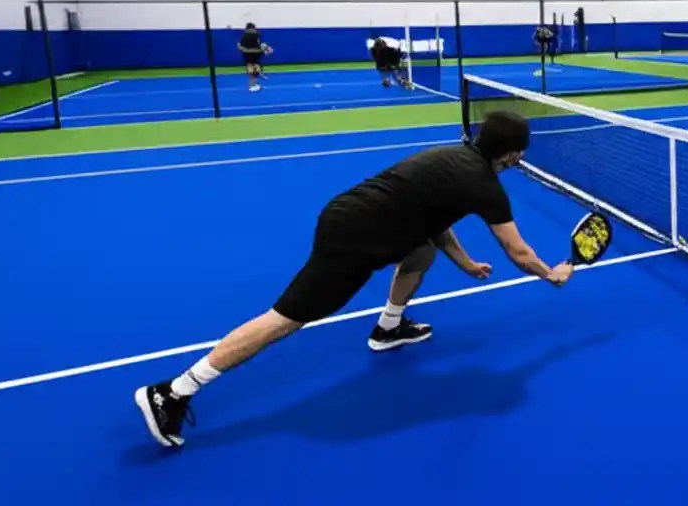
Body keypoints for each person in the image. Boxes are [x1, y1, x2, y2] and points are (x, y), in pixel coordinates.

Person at [134, 112, 576, 448]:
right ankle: (173, 392)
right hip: (357, 239)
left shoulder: (454, 158)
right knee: (285, 319)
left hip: (350, 214)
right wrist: (552, 274)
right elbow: (518, 253)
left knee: (419, 250)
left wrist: (464, 263)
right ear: (513, 153)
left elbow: (432, 220)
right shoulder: (486, 187)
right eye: (520, 153)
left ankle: (388, 327)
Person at [236, 23, 270, 93]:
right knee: (254, 67)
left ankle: (254, 83)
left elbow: (241, 46)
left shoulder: (245, 35)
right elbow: (259, 45)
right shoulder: (256, 35)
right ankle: (254, 83)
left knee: (252, 68)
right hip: (254, 54)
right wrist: (264, 49)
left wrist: (241, 48)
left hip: (248, 54)